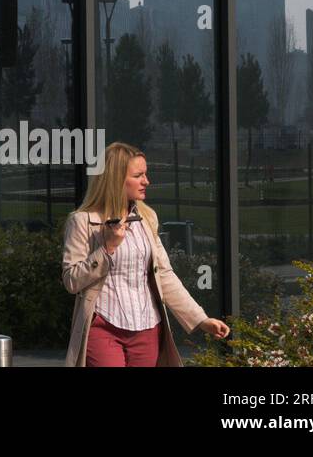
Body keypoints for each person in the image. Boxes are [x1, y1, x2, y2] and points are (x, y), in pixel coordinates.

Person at [61, 141, 230, 367]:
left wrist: (201, 320)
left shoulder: (147, 218)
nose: (146, 181)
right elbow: (71, 281)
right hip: (102, 326)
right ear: (116, 179)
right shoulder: (83, 221)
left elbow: (165, 276)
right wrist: (107, 248)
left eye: (145, 174)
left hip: (148, 327)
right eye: (138, 175)